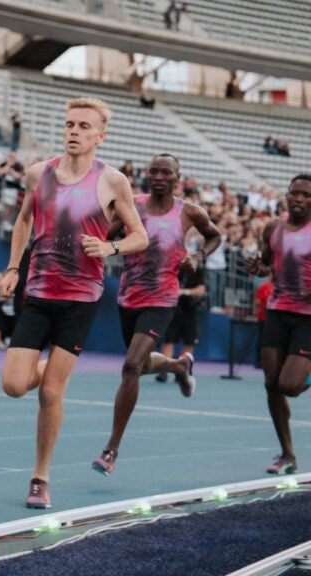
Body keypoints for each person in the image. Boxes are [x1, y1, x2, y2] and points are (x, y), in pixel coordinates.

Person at [0, 97, 149, 509]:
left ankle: (39, 478)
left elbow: (140, 236)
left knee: (50, 395)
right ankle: (49, 370)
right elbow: (24, 219)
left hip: (81, 298)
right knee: (13, 385)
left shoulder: (112, 181)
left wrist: (108, 246)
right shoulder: (37, 174)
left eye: (84, 126)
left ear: (101, 135)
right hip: (39, 293)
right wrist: (13, 268)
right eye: (69, 124)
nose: (74, 132)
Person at [91, 154, 221, 476]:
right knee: (142, 364)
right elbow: (105, 237)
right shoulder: (132, 205)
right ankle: (179, 365)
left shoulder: (189, 212)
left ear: (178, 177)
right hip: (128, 297)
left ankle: (111, 450)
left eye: (166, 172)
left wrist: (198, 255)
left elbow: (214, 235)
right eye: (154, 171)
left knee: (132, 365)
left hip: (162, 299)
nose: (159, 176)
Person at [244, 174, 311, 476]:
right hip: (277, 311)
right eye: (294, 193)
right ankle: (287, 454)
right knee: (272, 385)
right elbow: (267, 263)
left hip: (308, 318)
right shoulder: (275, 227)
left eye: (305, 195)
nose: (298, 199)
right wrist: (259, 267)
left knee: (290, 386)